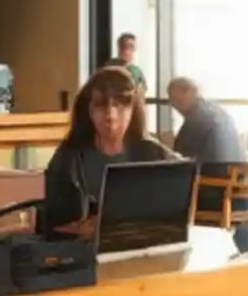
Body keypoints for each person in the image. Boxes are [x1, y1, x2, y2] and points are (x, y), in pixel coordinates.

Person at [44, 66, 173, 234]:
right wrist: (84, 228)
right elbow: (53, 224)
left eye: (120, 106)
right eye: (100, 106)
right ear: (89, 110)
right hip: (82, 253)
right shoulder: (68, 158)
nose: (110, 115)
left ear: (134, 111)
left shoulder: (154, 154)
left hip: (140, 249)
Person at [166, 77, 246, 164]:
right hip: (235, 171)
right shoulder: (215, 109)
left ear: (191, 92)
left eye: (178, 101)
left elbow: (181, 156)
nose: (175, 106)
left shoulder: (197, 119)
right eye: (172, 101)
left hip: (211, 172)